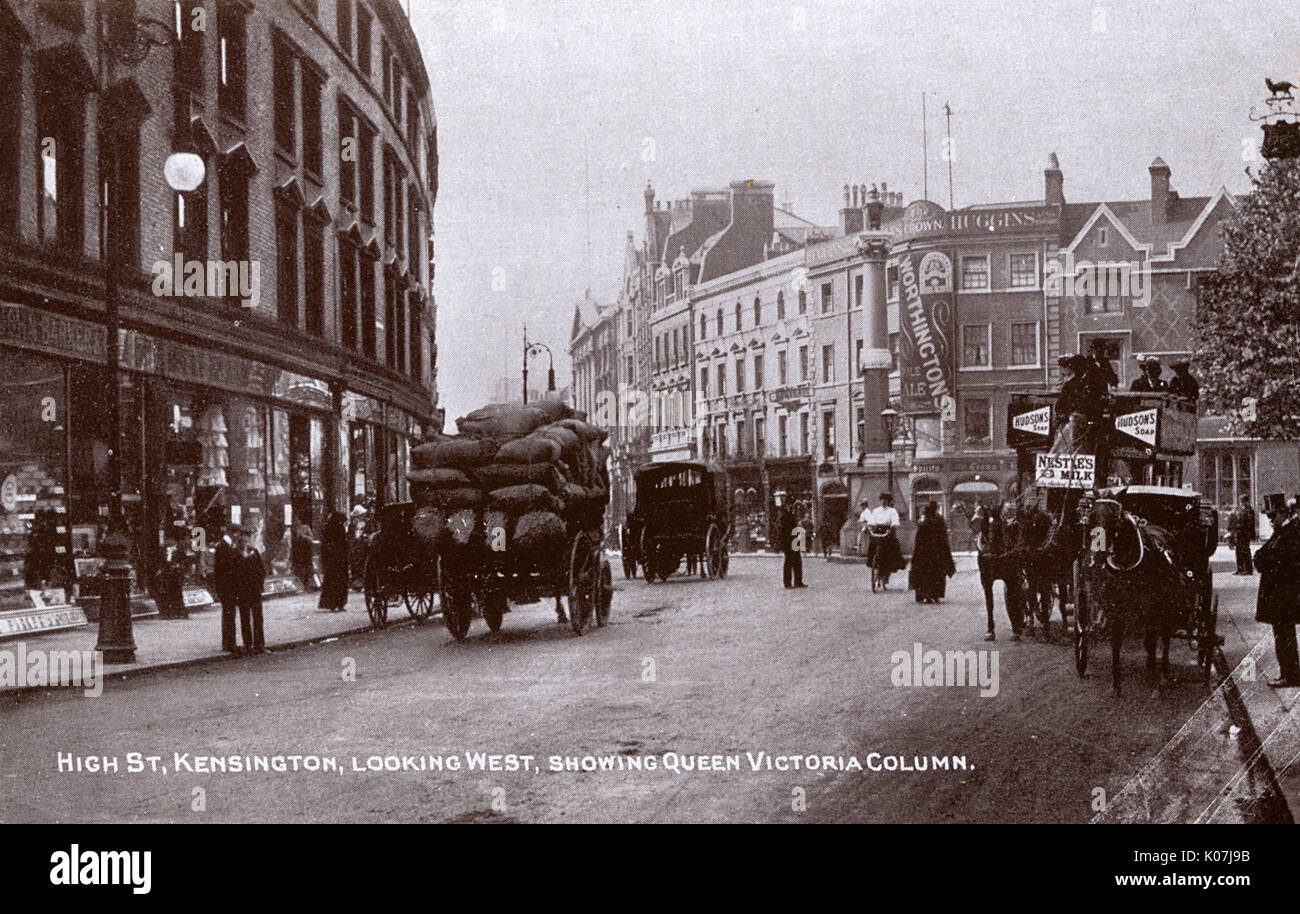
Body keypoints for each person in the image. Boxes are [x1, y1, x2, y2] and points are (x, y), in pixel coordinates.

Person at [1254, 493, 1300, 687]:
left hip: (1284, 597)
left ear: (1283, 513)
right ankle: (1289, 673)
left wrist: (1261, 559)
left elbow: (1265, 559)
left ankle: (1290, 675)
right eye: (1269, 517)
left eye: (1273, 516)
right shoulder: (1283, 531)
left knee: (1284, 637)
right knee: (1283, 635)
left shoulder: (1290, 533)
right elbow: (1262, 556)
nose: (1271, 520)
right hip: (1281, 596)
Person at [908, 502, 955, 603]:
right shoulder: (938, 522)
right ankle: (935, 594)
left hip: (923, 554)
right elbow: (943, 539)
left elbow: (918, 540)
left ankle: (923, 594)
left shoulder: (923, 524)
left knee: (923, 574)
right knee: (936, 573)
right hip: (936, 554)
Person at [235, 524, 268, 654]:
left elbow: (261, 570)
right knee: (245, 618)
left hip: (254, 589)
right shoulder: (235, 553)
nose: (245, 539)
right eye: (243, 537)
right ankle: (248, 644)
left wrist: (260, 584)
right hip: (243, 590)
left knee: (258, 617)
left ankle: (259, 644)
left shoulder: (254, 551)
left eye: (247, 537)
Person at [214, 525, 242, 654]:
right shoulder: (223, 546)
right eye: (237, 533)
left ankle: (230, 642)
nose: (238, 536)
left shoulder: (227, 545)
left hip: (229, 587)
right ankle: (229, 643)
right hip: (227, 587)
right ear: (231, 533)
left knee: (230, 614)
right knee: (229, 614)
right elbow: (221, 569)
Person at [867, 493, 906, 587]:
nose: (884, 501)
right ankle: (872, 561)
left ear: (888, 501)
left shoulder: (892, 511)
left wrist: (892, 525)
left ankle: (887, 573)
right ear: (880, 500)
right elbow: (872, 520)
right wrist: (870, 526)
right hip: (878, 530)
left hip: (888, 531)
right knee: (872, 546)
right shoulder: (876, 511)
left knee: (891, 550)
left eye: (886, 500)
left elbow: (895, 521)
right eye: (882, 499)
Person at [318, 512, 350, 612]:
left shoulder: (328, 527)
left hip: (332, 559)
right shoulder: (339, 528)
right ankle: (340, 603)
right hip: (339, 558)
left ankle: (331, 603)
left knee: (331, 581)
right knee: (340, 581)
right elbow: (343, 543)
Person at [778, 505, 806, 589]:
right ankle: (789, 583)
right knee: (789, 562)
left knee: (797, 561)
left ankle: (797, 581)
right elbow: (784, 532)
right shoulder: (785, 517)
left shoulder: (789, 517)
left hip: (793, 541)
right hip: (789, 542)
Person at [1229, 495, 1256, 576]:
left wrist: (1251, 534)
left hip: (1245, 533)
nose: (1241, 503)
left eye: (1242, 501)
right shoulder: (1240, 509)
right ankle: (1240, 569)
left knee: (1245, 551)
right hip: (1239, 533)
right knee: (1238, 551)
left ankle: (1248, 569)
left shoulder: (1249, 510)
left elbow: (1250, 523)